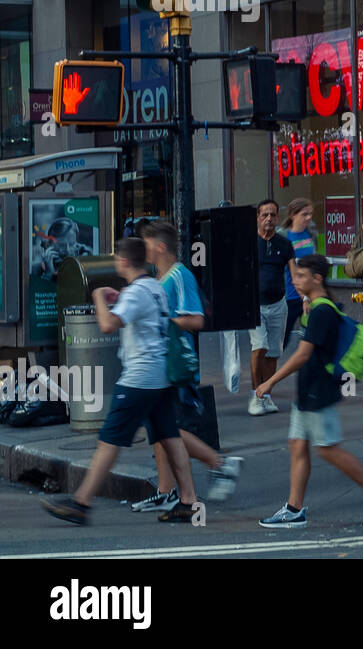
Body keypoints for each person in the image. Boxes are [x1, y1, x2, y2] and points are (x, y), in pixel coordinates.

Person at [41, 238, 200, 526]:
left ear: (124, 261)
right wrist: (119, 299)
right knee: (171, 437)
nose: (116, 263)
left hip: (138, 378)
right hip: (160, 374)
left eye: (117, 259)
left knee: (110, 441)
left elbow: (107, 325)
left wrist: (100, 297)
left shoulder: (136, 292)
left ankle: (81, 502)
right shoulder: (153, 287)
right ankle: (189, 501)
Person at [256, 255, 363, 529]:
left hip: (318, 391)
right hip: (308, 390)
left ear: (317, 278)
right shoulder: (315, 307)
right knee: (298, 445)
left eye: (301, 277)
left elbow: (302, 355)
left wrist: (270, 382)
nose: (296, 281)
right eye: (296, 276)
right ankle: (294, 508)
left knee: (329, 450)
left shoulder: (322, 312)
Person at [135, 220, 243, 511]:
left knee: (167, 427)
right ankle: (166, 490)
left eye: (145, 244)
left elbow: (196, 319)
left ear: (159, 246)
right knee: (156, 428)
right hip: (158, 364)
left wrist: (163, 321)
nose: (142, 250)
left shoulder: (180, 276)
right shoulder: (158, 277)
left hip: (175, 365)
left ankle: (219, 462)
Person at [241, 199, 294, 416]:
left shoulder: (284, 244)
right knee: (259, 346)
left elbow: (295, 272)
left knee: (272, 352)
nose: (269, 219)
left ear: (278, 218)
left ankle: (267, 395)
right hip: (256, 305)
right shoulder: (249, 243)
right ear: (257, 218)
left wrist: (307, 297)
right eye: (264, 215)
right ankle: (255, 395)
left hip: (278, 304)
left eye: (273, 215)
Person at [281, 198, 316, 351]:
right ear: (293, 215)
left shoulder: (311, 234)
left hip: (310, 295)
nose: (308, 218)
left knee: (310, 338)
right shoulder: (283, 237)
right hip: (290, 295)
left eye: (310, 214)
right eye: (304, 214)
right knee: (282, 339)